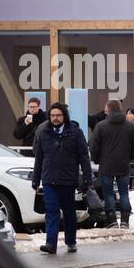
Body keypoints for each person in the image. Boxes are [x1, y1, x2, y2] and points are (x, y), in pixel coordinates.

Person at [32, 102, 92, 255]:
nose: (55, 118)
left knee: (69, 212)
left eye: (58, 115)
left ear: (64, 116)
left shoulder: (75, 132)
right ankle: (50, 244)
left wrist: (87, 178)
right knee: (52, 210)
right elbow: (39, 158)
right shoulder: (44, 133)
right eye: (52, 115)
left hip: (67, 179)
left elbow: (84, 157)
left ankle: (70, 241)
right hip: (49, 179)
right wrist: (35, 179)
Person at [89, 99, 134, 228]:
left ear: (108, 110)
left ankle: (111, 220)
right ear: (120, 109)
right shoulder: (130, 126)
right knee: (124, 193)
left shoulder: (101, 126)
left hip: (106, 165)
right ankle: (125, 221)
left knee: (108, 193)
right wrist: (129, 157)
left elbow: (93, 146)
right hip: (123, 164)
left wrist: (96, 159)